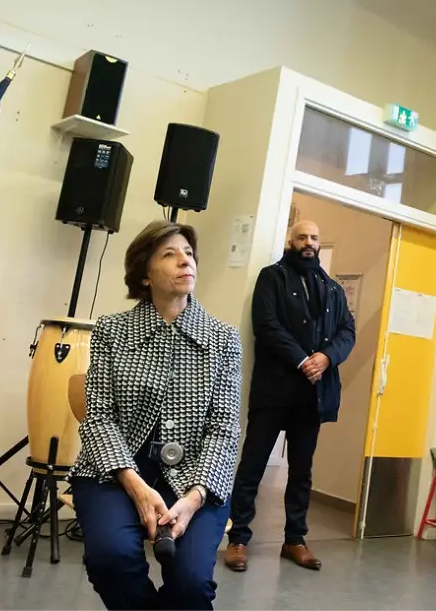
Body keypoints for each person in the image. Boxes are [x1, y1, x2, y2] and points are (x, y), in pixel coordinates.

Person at [69, 220, 243, 611]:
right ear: (145, 276)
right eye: (170, 254)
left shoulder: (224, 338)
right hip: (115, 471)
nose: (186, 260)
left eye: (189, 253)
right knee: (110, 560)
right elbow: (97, 416)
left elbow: (224, 431)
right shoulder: (112, 330)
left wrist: (195, 498)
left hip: (199, 478)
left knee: (191, 585)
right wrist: (135, 485)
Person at [223, 220, 356, 572]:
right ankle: (237, 539)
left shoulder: (332, 289)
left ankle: (295, 540)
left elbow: (347, 331)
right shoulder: (272, 277)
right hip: (273, 391)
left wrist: (326, 358)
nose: (308, 242)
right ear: (290, 241)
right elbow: (266, 325)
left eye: (314, 237)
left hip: (312, 398)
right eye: (302, 237)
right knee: (252, 466)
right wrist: (302, 360)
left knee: (301, 472)